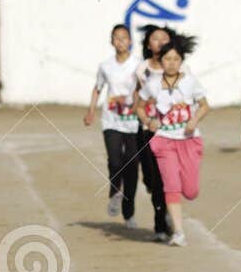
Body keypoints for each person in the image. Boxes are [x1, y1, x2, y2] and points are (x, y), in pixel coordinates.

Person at [136, 41, 208, 247]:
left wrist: (194, 120)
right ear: (161, 61)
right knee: (171, 186)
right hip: (164, 141)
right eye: (167, 59)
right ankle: (178, 232)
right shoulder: (152, 84)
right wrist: (148, 121)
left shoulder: (191, 82)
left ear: (181, 61)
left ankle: (175, 218)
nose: (171, 63)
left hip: (189, 140)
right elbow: (139, 106)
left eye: (176, 59)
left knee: (191, 191)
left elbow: (204, 106)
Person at [83, 23, 143, 225]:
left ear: (130, 41)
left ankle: (129, 212)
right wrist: (91, 110)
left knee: (132, 165)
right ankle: (115, 191)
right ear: (111, 41)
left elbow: (145, 88)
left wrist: (135, 103)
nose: (120, 41)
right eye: (116, 38)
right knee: (115, 160)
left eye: (124, 38)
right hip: (111, 120)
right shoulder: (105, 66)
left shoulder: (138, 64)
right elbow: (97, 88)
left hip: (133, 122)